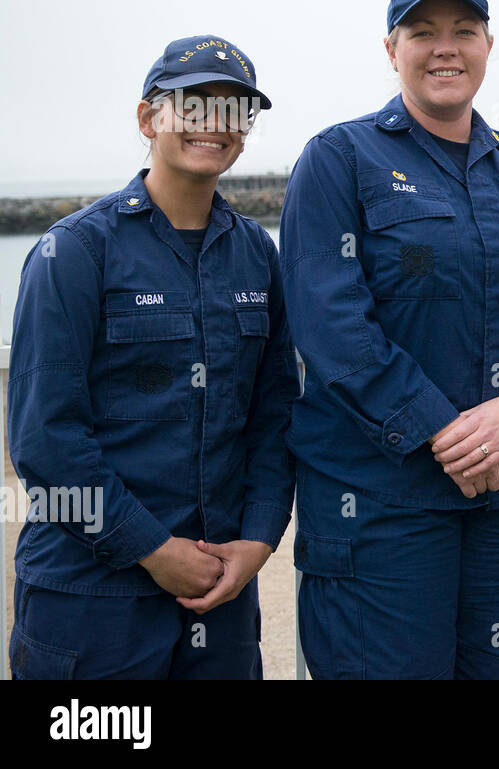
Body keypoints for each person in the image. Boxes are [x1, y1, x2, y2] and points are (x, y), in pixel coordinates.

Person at [280, 0, 499, 680]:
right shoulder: (338, 161)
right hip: (383, 509)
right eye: (423, 32)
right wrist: (447, 434)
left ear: (488, 45)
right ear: (392, 49)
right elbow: (332, 325)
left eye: (464, 31)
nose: (445, 47)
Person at [7, 36, 295, 679]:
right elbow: (43, 439)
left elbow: (275, 414)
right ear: (148, 119)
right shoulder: (74, 253)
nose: (213, 125)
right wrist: (152, 549)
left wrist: (258, 538)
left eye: (233, 110)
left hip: (218, 595)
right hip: (90, 597)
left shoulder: (256, 254)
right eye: (193, 106)